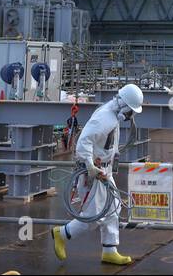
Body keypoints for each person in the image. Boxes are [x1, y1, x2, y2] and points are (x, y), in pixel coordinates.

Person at [52, 83, 143, 266]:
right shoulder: (104, 118)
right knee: (93, 216)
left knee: (113, 208)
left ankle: (110, 250)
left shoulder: (112, 114)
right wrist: (91, 166)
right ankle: (61, 234)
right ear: (123, 106)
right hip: (93, 173)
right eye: (130, 111)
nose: (129, 116)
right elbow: (83, 143)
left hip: (104, 171)